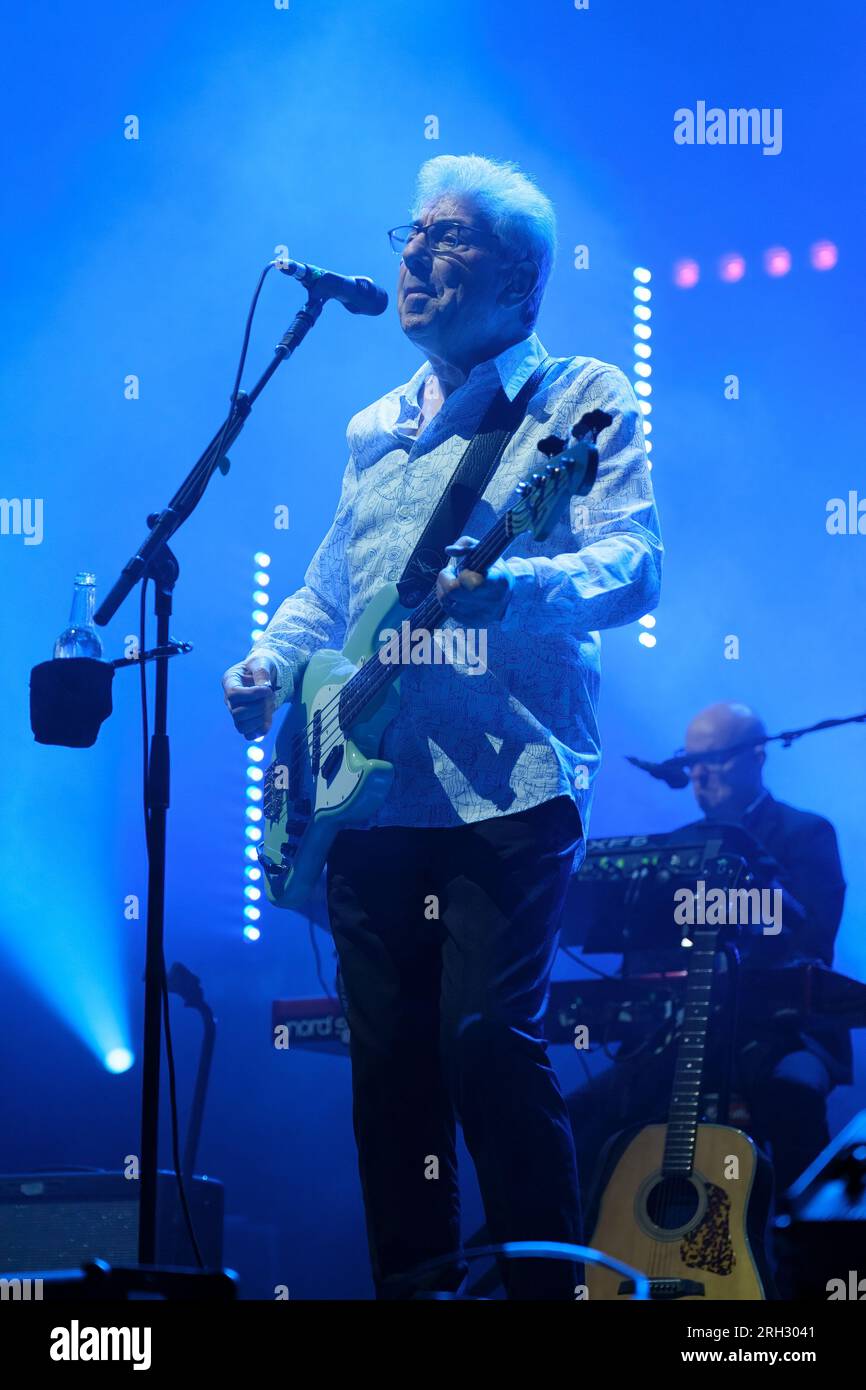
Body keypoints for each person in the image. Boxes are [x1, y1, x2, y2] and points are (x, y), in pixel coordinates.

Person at [222, 154, 662, 1299]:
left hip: (509, 780)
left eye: (448, 239)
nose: (414, 256)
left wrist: (512, 588)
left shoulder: (578, 397)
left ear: (520, 281)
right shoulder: (372, 425)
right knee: (390, 1080)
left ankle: (546, 1292)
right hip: (371, 794)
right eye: (410, 234)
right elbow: (329, 590)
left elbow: (633, 563)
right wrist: (269, 661)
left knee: (483, 1041)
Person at [567, 700, 849, 1224]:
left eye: (715, 758)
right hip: (681, 1034)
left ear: (757, 757)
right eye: (690, 760)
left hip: (781, 1031)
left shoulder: (807, 832)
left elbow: (811, 941)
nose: (698, 773)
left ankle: (811, 1261)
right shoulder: (676, 846)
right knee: (577, 1118)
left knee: (795, 1093)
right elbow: (635, 955)